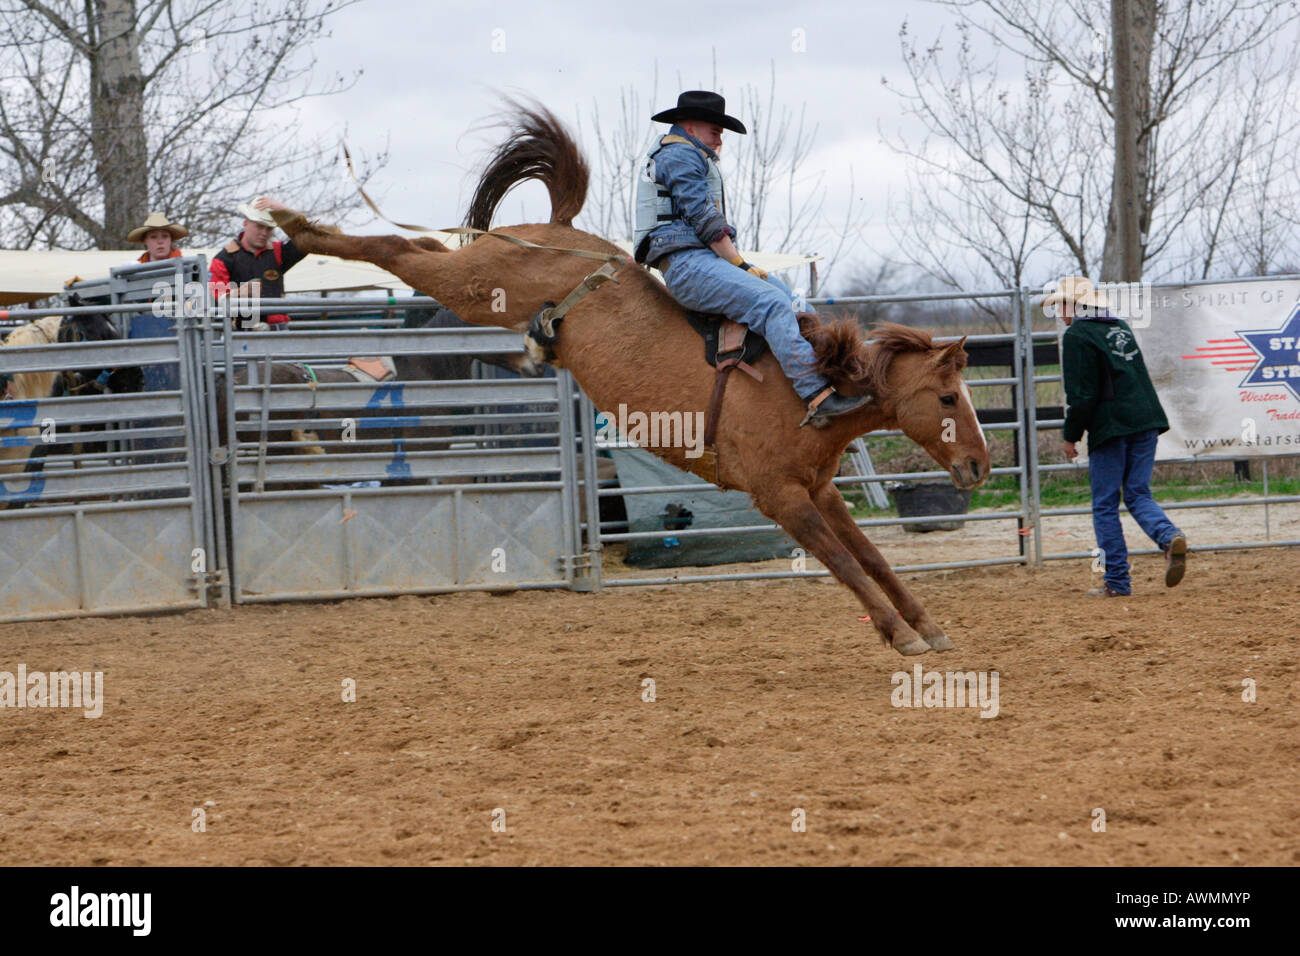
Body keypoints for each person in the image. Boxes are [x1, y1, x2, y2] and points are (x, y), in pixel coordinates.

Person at [632, 90, 867, 425]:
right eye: (715, 131)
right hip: (688, 266)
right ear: (691, 125)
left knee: (799, 306)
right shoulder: (680, 156)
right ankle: (815, 396)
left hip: (703, 263)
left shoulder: (684, 153)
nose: (719, 140)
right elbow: (704, 218)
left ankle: (841, 377)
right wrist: (740, 264)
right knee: (772, 303)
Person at [1047, 275, 1188, 597]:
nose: (1058, 310)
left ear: (1076, 305)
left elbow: (1082, 395)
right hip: (1146, 419)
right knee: (1138, 493)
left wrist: (1071, 436)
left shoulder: (1078, 336)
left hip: (1111, 427)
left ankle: (1117, 582)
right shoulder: (1119, 327)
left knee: (1106, 505)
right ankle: (1168, 538)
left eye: (1061, 304)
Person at [208, 196, 305, 330]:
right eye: (259, 226)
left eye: (269, 228)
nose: (264, 233)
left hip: (278, 331)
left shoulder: (278, 252)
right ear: (246, 223)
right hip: (242, 335)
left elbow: (307, 237)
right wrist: (238, 293)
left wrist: (283, 210)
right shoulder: (224, 259)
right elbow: (215, 299)